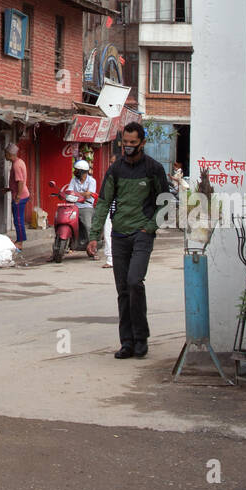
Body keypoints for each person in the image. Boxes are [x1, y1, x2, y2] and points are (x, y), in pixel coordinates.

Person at [87, 122, 170, 359]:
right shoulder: (115, 170)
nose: (129, 147)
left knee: (135, 282)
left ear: (142, 143)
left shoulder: (154, 169)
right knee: (123, 290)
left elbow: (166, 203)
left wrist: (150, 228)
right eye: (126, 143)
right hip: (119, 236)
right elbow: (103, 202)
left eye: (134, 143)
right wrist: (94, 236)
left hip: (142, 235)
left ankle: (141, 338)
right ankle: (127, 342)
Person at [65, 157, 97, 239]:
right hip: (74, 206)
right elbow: (69, 192)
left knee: (88, 226)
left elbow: (89, 195)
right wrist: (84, 193)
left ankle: (91, 243)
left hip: (86, 207)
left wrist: (76, 193)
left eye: (76, 170)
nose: (74, 172)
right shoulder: (73, 180)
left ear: (82, 171)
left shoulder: (92, 181)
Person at [5, 143, 29, 245]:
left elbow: (20, 181)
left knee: (18, 220)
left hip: (21, 196)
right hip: (21, 194)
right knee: (18, 219)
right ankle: (19, 240)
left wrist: (18, 196)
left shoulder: (16, 165)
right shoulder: (20, 162)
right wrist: (9, 189)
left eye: (5, 154)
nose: (5, 156)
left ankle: (20, 242)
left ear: (10, 154)